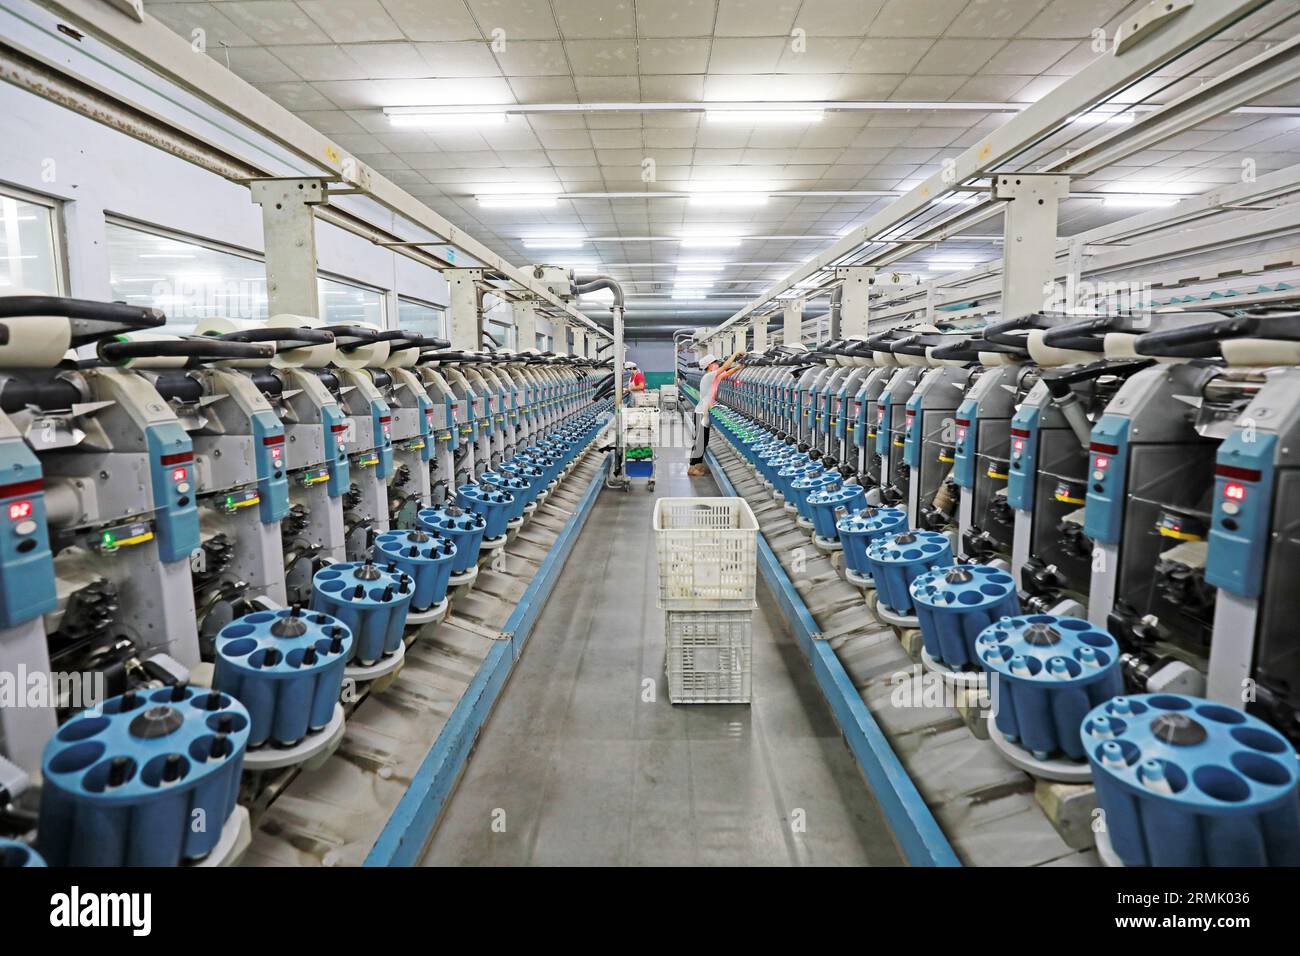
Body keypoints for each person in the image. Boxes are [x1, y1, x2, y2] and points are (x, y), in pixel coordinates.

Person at [688, 350, 743, 477]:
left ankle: (697, 465)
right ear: (708, 366)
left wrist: (740, 367)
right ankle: (692, 467)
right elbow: (725, 367)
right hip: (701, 412)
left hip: (705, 413)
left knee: (703, 441)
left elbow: (727, 373)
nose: (717, 364)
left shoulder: (714, 377)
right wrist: (734, 355)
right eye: (714, 363)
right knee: (700, 442)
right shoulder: (708, 376)